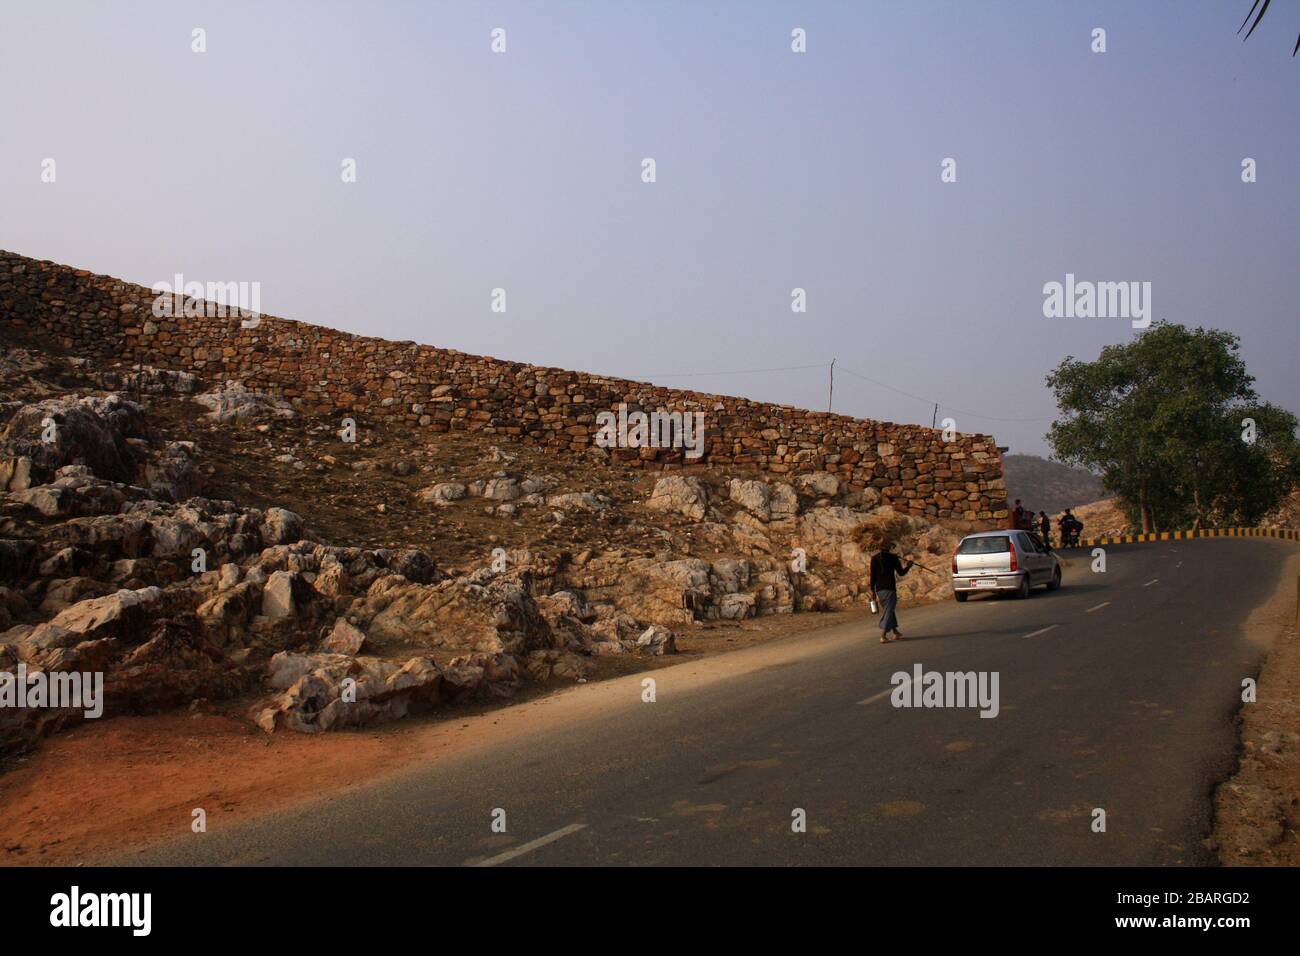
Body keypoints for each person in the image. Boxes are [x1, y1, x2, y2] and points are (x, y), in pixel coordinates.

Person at [869, 539, 912, 644]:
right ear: (889, 548)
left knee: (889, 610)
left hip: (879, 590)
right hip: (890, 589)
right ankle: (883, 635)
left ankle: (895, 632)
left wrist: (873, 591)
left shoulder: (874, 559)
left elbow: (872, 577)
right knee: (889, 611)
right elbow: (901, 573)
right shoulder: (893, 558)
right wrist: (908, 566)